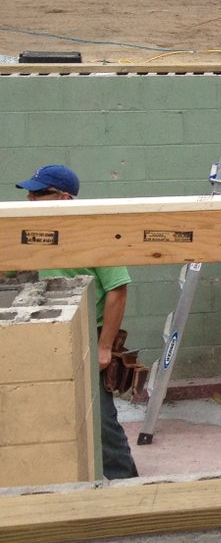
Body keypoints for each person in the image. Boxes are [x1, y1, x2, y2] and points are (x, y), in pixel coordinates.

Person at [15, 164, 139, 479]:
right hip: (49, 337)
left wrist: (103, 347)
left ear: (65, 197)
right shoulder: (35, 234)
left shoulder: (94, 234)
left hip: (87, 337)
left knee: (100, 422)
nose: (30, 198)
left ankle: (126, 486)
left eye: (39, 193)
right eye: (30, 192)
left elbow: (117, 291)